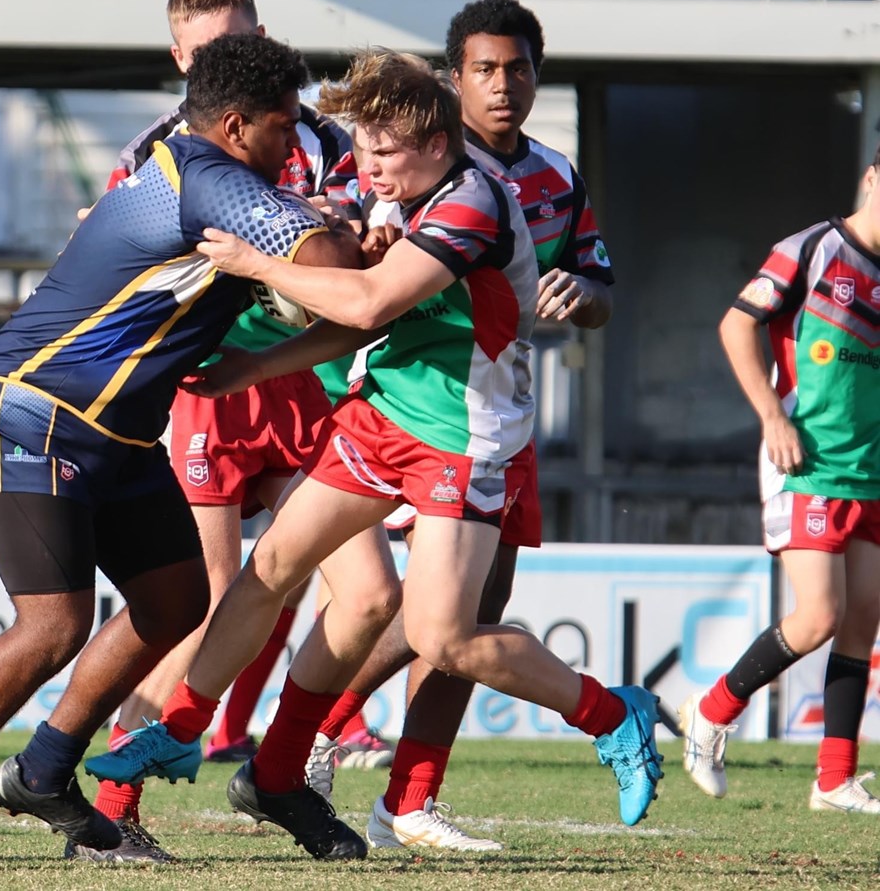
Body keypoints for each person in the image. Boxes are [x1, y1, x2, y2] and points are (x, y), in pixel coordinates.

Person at [85, 49, 662, 861]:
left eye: (383, 151)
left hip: (462, 439)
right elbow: (360, 307)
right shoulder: (405, 192)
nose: (368, 166)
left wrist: (254, 263)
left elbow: (369, 300)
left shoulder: (471, 205)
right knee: (271, 567)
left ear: (435, 141)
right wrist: (253, 364)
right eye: (362, 148)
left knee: (444, 636)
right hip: (380, 415)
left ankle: (612, 713)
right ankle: (186, 731)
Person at [0, 32, 366, 872]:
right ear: (238, 124)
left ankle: (44, 771)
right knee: (53, 623)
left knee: (174, 606)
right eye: (285, 127)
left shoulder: (195, 167)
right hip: (31, 411)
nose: (296, 145)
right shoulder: (215, 180)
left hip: (118, 433)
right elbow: (335, 266)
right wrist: (336, 233)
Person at [78, 0, 389, 864]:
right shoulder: (156, 153)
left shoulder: (318, 136)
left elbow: (364, 228)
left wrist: (344, 233)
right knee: (206, 605)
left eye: (243, 38)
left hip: (309, 382)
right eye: (211, 47)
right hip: (210, 386)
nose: (231, 57)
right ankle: (113, 803)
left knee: (369, 595)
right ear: (182, 59)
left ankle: (276, 772)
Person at [304, 0, 618, 851]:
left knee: (472, 610)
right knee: (420, 610)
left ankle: (406, 795)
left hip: (493, 416)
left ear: (537, 76)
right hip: (401, 410)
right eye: (484, 68)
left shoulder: (556, 177)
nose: (503, 84)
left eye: (517, 68)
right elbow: (332, 239)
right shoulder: (407, 152)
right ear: (455, 79)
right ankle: (312, 739)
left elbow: (598, 287)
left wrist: (580, 294)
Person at [679, 143, 880, 814]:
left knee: (861, 620)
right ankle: (709, 714)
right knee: (819, 613)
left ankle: (834, 778)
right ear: (873, 177)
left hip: (869, 469)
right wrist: (772, 415)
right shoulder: (813, 248)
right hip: (806, 462)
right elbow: (737, 324)